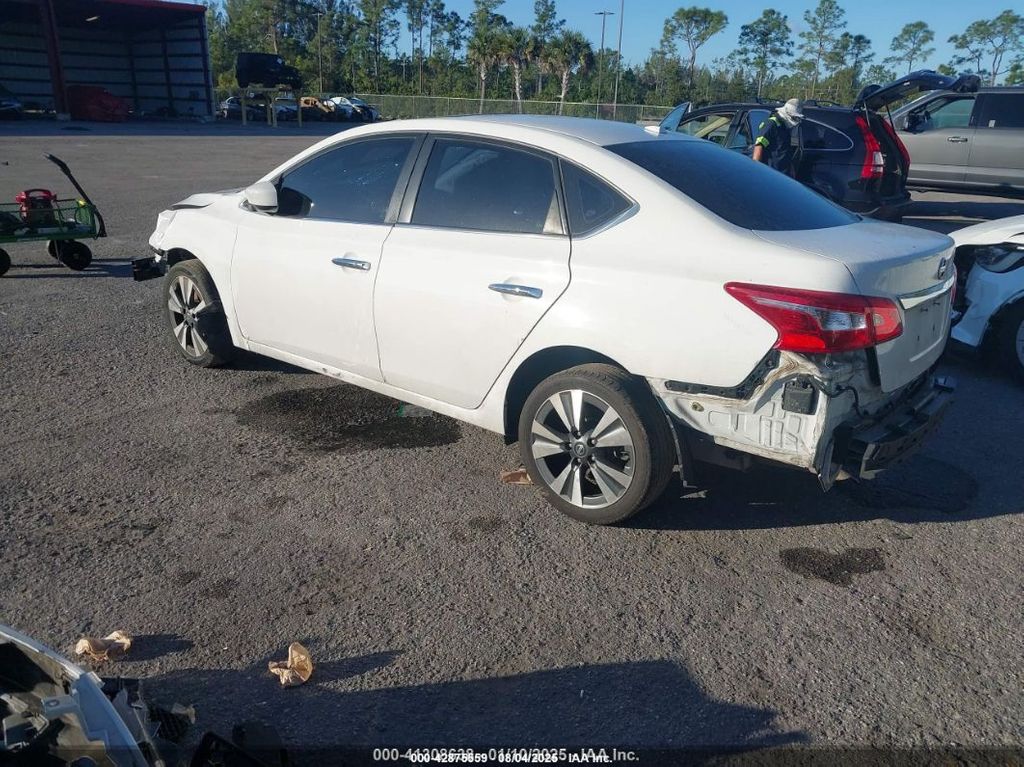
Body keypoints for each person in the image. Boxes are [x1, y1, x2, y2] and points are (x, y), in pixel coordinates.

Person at [752, 98, 804, 177]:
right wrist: (755, 171)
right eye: (794, 117)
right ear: (786, 113)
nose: (795, 120)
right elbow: (759, 146)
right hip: (770, 173)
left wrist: (791, 170)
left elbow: (785, 151)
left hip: (783, 174)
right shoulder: (771, 124)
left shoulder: (784, 127)